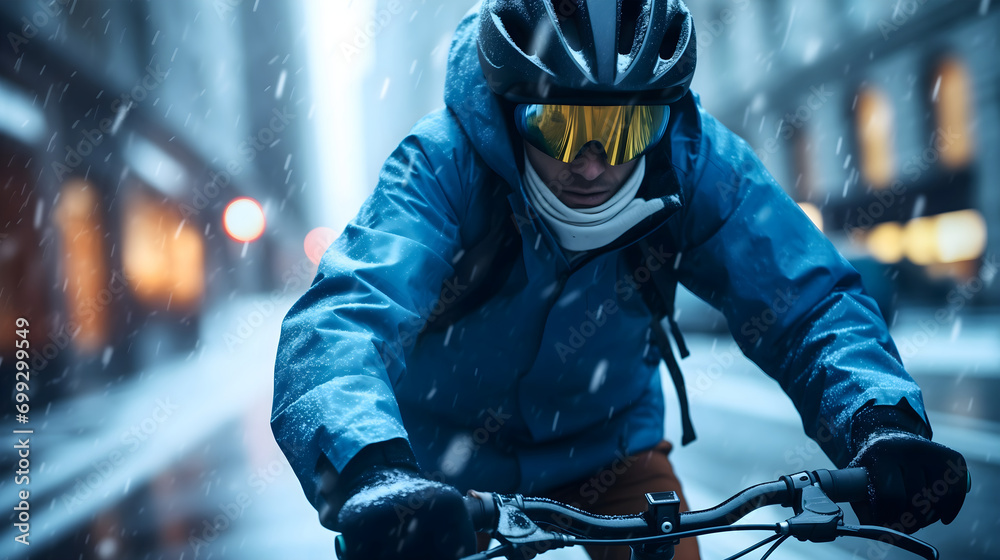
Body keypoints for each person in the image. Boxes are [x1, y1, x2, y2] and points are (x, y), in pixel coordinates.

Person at [271, 2, 969, 559]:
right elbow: (343, 320)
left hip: (609, 449)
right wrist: (375, 471)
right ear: (513, 110)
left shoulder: (696, 161)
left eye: (626, 130)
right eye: (561, 127)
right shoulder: (444, 164)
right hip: (437, 469)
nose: (594, 165)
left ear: (660, 117)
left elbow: (808, 303)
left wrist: (880, 423)